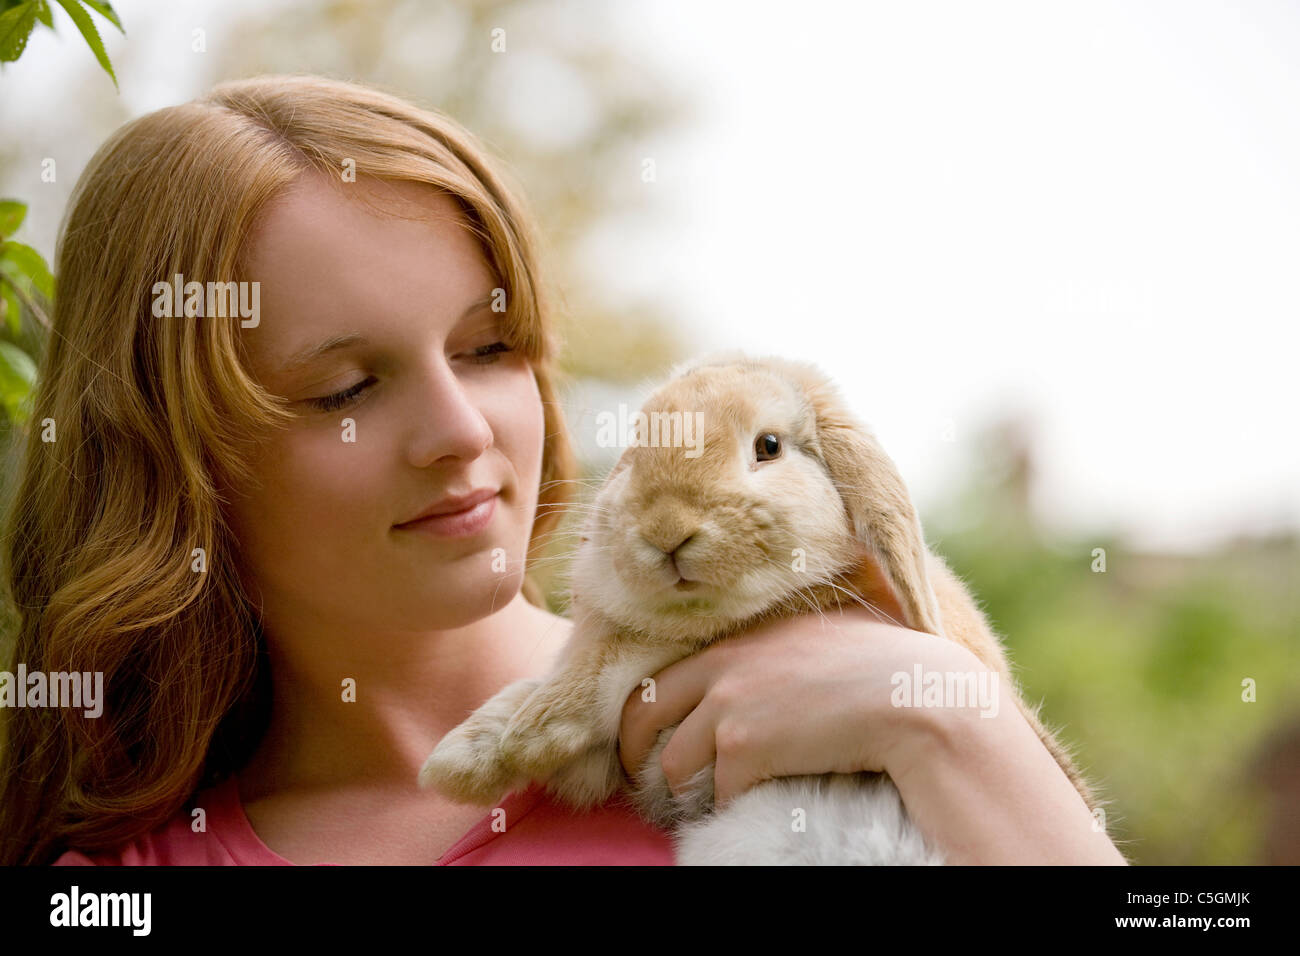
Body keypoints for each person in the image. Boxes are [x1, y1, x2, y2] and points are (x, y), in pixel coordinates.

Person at [0, 75, 1126, 866]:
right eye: (345, 390)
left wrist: (953, 725)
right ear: (180, 456)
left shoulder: (829, 701)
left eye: (489, 349)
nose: (461, 428)